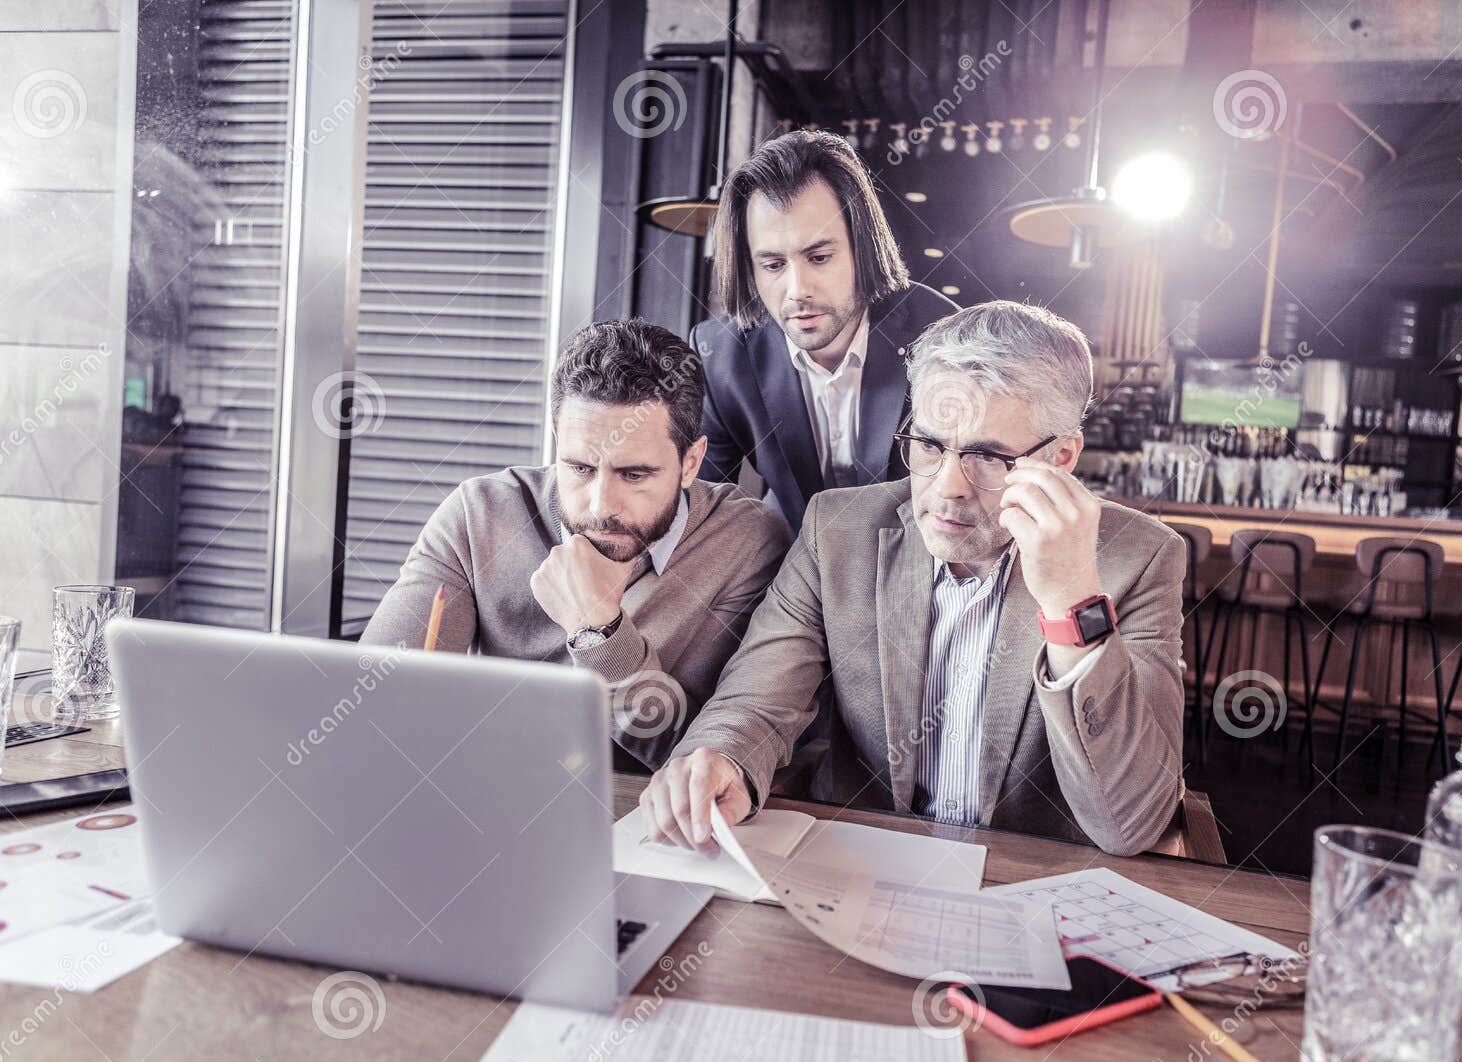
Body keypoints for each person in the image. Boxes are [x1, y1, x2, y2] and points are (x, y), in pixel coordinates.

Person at [641, 300, 1187, 856]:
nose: (948, 486)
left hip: (1028, 879)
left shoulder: (1137, 559)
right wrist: (722, 757)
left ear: (1061, 457)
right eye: (928, 445)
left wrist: (1071, 603)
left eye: (988, 456)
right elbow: (758, 700)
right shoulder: (838, 530)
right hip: (863, 865)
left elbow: (1131, 824)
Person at [362, 319, 790, 771]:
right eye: (580, 468)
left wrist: (600, 632)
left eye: (634, 474)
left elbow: (702, 754)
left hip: (640, 806)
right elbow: (373, 706)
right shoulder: (479, 515)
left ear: (691, 462)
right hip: (484, 787)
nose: (601, 505)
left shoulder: (746, 543)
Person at [694, 130, 957, 534]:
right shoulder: (721, 356)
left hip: (917, 556)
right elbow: (698, 511)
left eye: (819, 257)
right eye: (773, 265)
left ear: (862, 247)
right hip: (795, 554)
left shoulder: (943, 337)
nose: (797, 291)